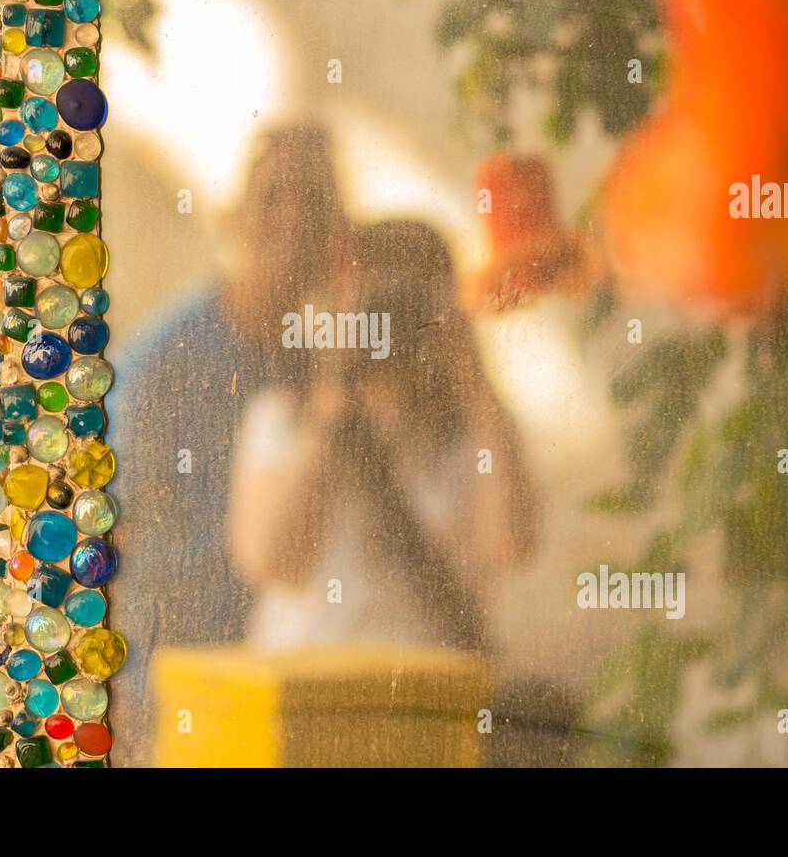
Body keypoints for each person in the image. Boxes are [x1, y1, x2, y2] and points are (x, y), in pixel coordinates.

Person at [105, 125, 354, 763]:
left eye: (312, 199)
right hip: (179, 692)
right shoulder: (167, 361)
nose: (291, 216)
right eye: (273, 196)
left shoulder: (330, 361)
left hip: (289, 696)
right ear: (239, 217)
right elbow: (107, 535)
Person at [227, 220, 537, 653]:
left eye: (413, 301)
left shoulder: (472, 432)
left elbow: (510, 546)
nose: (392, 321)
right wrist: (335, 387)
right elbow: (271, 560)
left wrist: (470, 371)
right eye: (376, 302)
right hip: (306, 689)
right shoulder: (283, 419)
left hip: (430, 694)